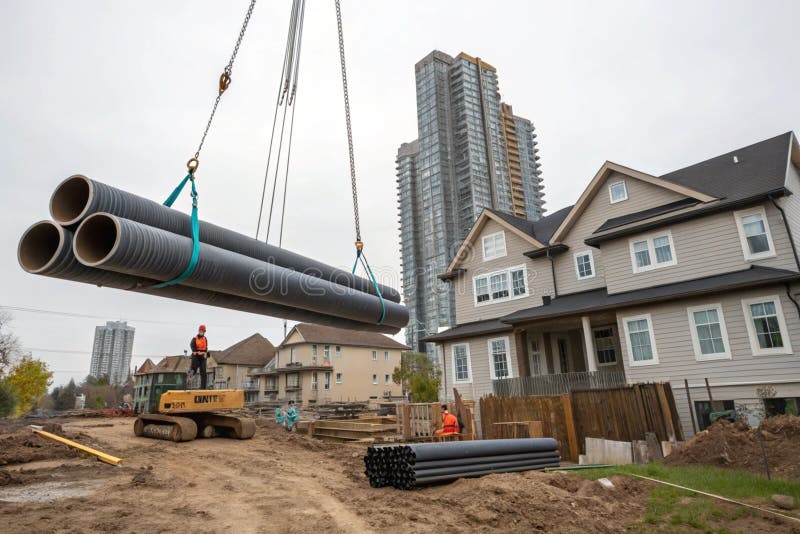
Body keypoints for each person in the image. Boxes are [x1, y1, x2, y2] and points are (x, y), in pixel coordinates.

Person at [190, 324, 209, 389]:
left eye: (203, 331)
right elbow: (192, 346)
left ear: (204, 332)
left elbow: (206, 348)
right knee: (194, 368)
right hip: (196, 355)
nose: (202, 332)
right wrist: (197, 352)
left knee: (203, 370)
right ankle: (191, 374)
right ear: (199, 331)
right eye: (201, 331)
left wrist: (205, 353)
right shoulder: (194, 339)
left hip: (203, 356)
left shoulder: (205, 339)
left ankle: (203, 387)